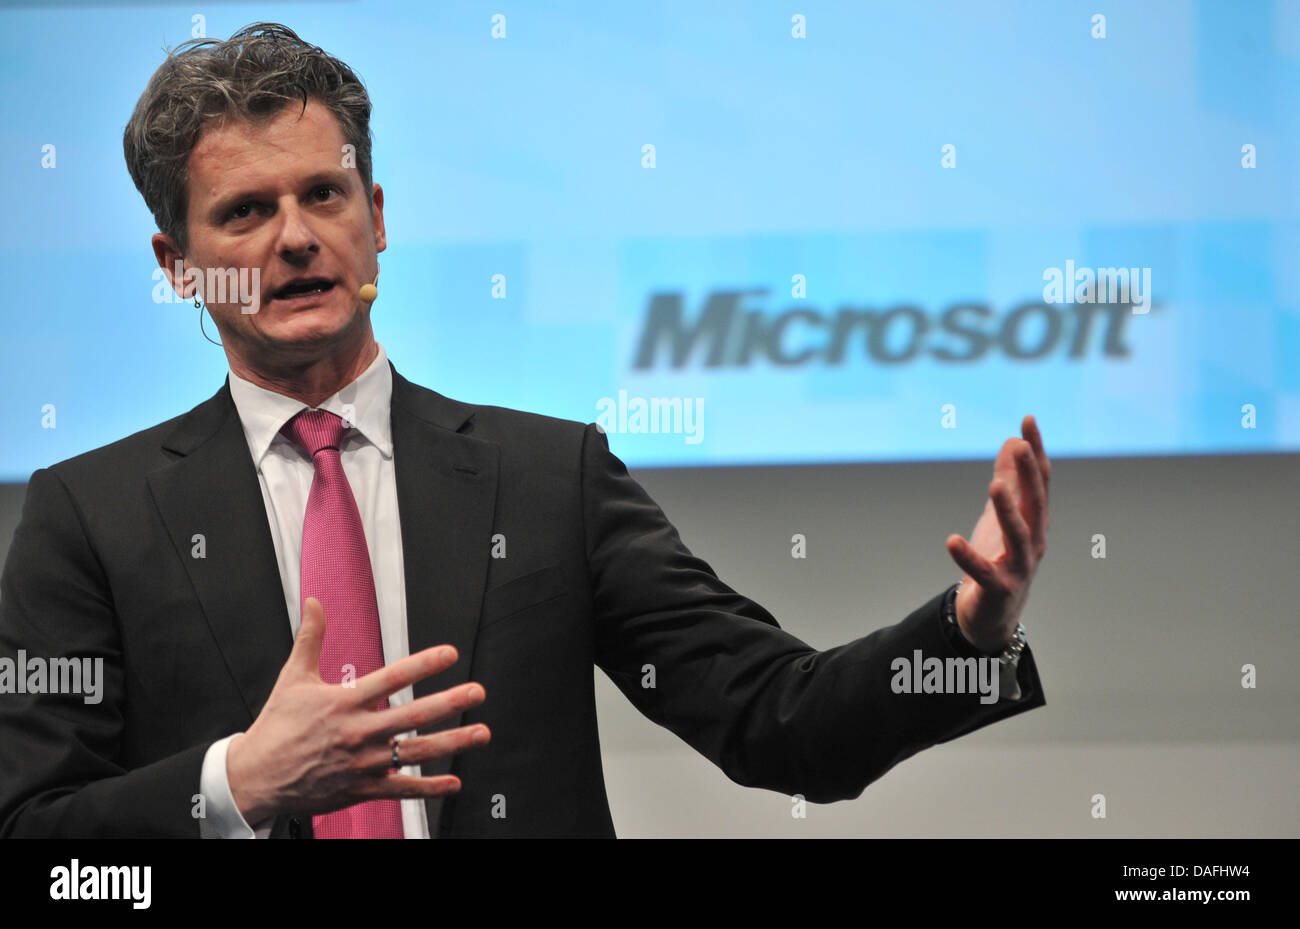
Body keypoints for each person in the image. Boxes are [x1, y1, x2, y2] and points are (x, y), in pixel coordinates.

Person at [0, 23, 1050, 838]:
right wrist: (235, 783)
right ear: (178, 266)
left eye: (324, 194)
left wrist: (968, 634)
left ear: (376, 216)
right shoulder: (89, 517)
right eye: (244, 212)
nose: (297, 237)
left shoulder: (549, 478)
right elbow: (38, 840)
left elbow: (779, 720)